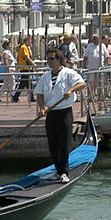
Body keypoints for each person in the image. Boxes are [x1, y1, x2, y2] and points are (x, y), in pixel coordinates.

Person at [35, 49, 87, 184]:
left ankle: (64, 172)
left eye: (52, 59)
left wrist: (70, 90)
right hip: (51, 113)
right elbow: (39, 93)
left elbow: (82, 84)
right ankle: (57, 171)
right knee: (52, 143)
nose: (49, 62)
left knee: (64, 143)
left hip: (64, 112)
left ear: (59, 59)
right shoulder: (45, 77)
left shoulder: (69, 73)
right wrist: (41, 108)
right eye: (48, 59)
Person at [11, 35, 35, 103]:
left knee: (28, 84)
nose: (30, 43)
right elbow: (27, 57)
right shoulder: (23, 47)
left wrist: (29, 48)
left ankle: (31, 97)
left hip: (26, 67)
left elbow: (30, 55)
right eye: (29, 41)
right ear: (27, 41)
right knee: (23, 84)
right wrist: (33, 64)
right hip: (24, 68)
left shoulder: (26, 47)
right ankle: (15, 97)